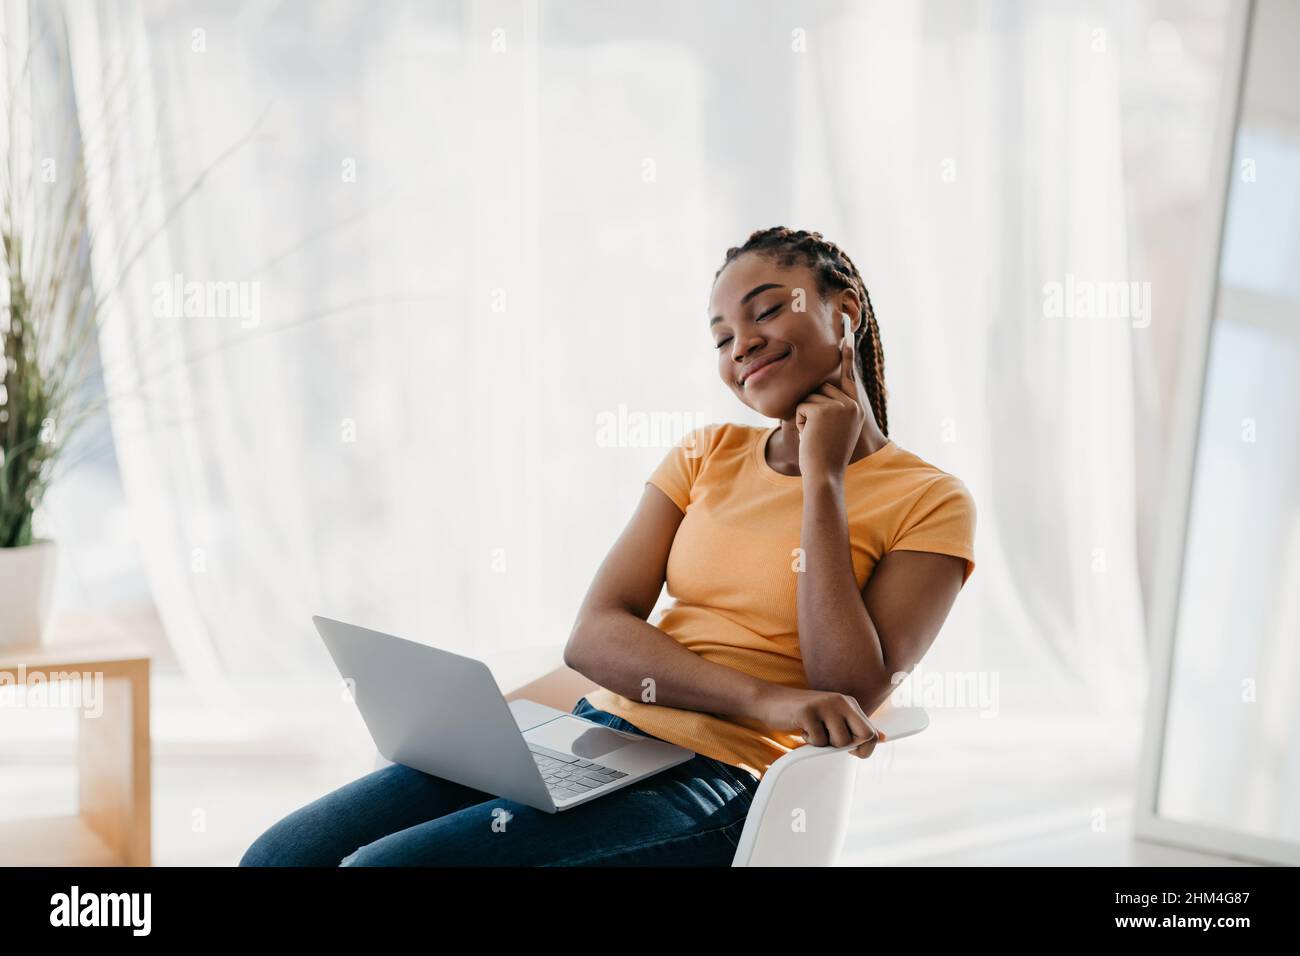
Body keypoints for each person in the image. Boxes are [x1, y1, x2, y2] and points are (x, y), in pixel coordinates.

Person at [240, 226, 976, 867]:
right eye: (721, 336)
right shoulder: (706, 454)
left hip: (720, 779)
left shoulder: (930, 500)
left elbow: (847, 691)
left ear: (844, 314)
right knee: (280, 857)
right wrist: (767, 697)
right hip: (591, 734)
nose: (741, 344)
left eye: (766, 311)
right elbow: (595, 636)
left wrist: (824, 483)